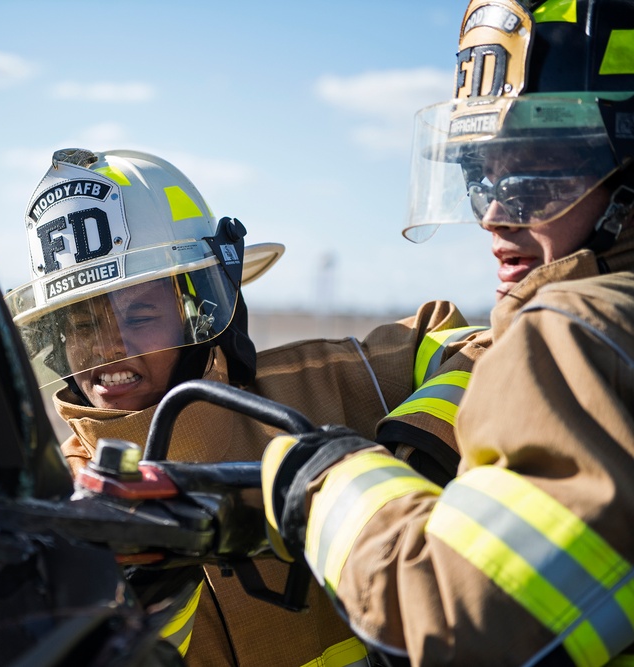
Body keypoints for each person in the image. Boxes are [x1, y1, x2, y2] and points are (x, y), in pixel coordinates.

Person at [5, 148, 489, 666]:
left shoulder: (337, 383)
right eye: (81, 326)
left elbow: (483, 349)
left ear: (206, 308)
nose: (108, 349)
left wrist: (406, 457)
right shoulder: (63, 501)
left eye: (139, 314)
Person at [261, 0, 634, 665]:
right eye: (480, 173)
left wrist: (319, 479)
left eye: (534, 174)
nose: (493, 215)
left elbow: (454, 623)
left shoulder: (574, 336)